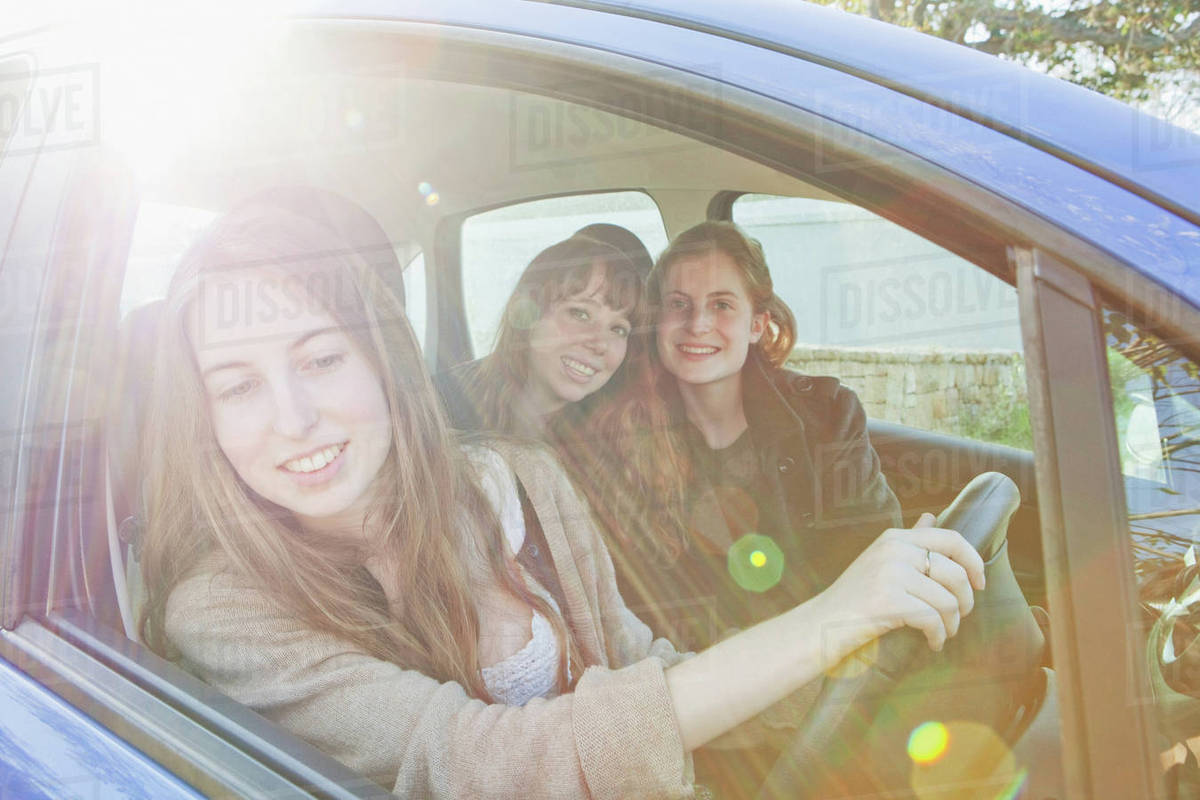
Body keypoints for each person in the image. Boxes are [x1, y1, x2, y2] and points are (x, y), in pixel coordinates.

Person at [138, 202, 983, 799]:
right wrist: (828, 617)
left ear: (381, 362)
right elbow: (480, 764)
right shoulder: (224, 612)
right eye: (238, 385)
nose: (293, 419)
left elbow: (641, 659)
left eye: (321, 360)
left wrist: (840, 664)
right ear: (203, 415)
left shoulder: (524, 479)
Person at [573, 220, 904, 654]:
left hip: (834, 659)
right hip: (698, 675)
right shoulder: (620, 434)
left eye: (722, 305)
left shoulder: (828, 416)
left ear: (757, 325)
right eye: (679, 304)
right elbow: (633, 609)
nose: (698, 324)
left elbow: (876, 558)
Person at [435, 229, 648, 439]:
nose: (600, 344)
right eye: (580, 314)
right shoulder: (439, 402)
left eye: (618, 329)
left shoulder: (626, 440)